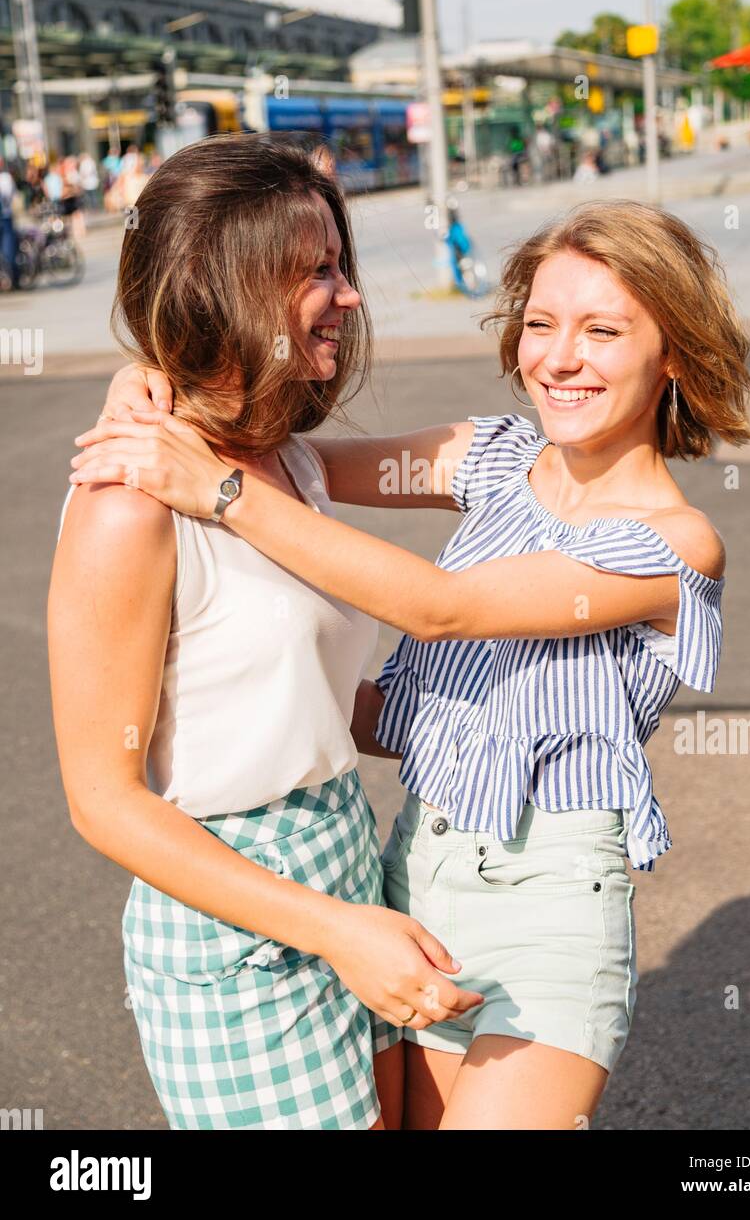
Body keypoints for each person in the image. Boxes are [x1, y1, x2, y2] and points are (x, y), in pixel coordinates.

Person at [71, 197, 750, 1129]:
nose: (560, 357)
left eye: (603, 330)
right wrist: (150, 384)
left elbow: (442, 609)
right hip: (412, 878)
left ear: (671, 351)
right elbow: (289, 460)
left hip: (551, 906)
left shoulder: (675, 545)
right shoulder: (493, 457)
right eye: (542, 324)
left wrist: (218, 489)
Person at [48, 134, 484, 1131]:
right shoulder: (129, 505)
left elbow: (470, 463)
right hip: (235, 923)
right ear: (226, 287)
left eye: (342, 265)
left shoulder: (287, 463)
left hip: (343, 858)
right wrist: (332, 930)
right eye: (316, 271)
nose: (350, 295)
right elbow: (102, 799)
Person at [0, 158, 20, 287]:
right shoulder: (6, 179)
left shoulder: (5, 178)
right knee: (9, 250)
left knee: (9, 251)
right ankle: (13, 278)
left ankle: (12, 279)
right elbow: (12, 196)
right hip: (6, 218)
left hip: (5, 218)